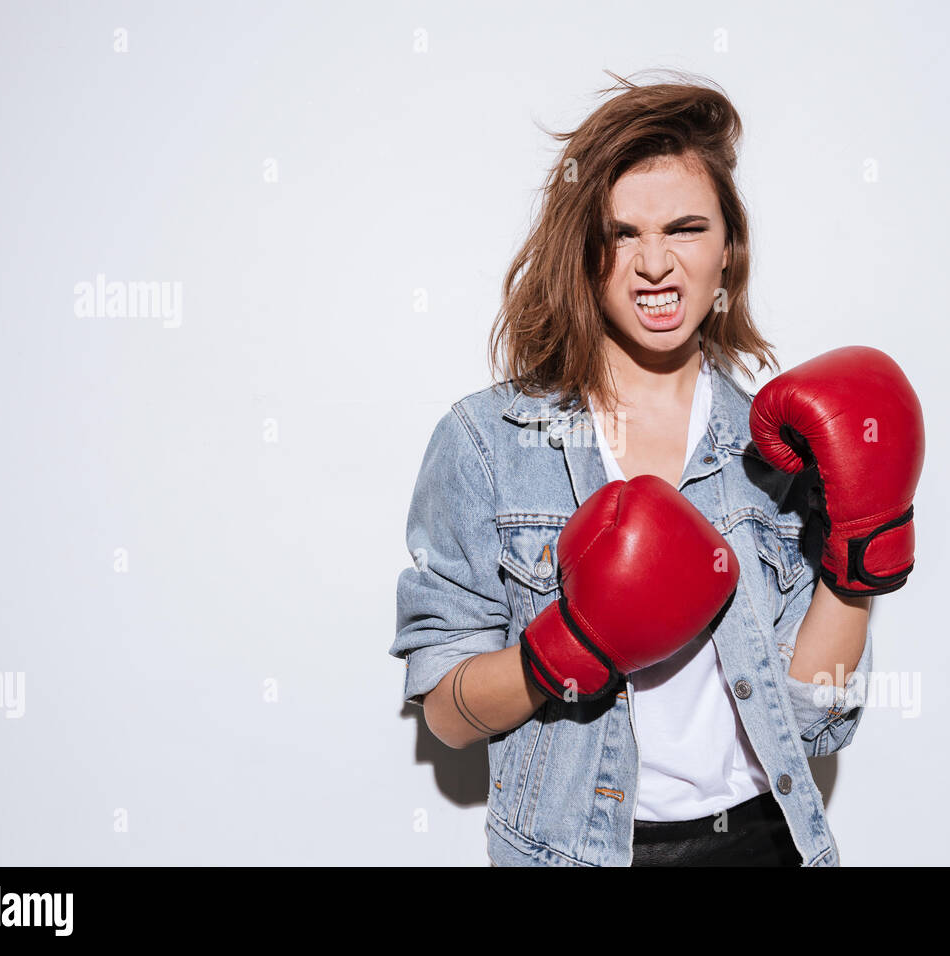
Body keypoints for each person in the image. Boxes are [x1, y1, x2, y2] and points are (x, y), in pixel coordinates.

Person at [390, 70, 922, 867]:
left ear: (728, 252)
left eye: (684, 228)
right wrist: (565, 647)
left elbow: (819, 723)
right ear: (585, 252)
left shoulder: (782, 447)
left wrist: (864, 555)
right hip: (575, 853)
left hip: (765, 844)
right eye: (622, 233)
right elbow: (448, 716)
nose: (654, 263)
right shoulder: (486, 439)